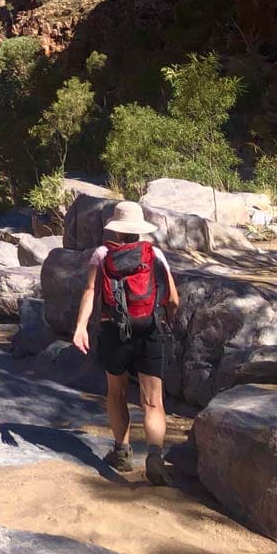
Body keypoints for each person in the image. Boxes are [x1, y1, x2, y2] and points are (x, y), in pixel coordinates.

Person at [71, 200, 180, 485]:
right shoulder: (154, 254)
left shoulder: (102, 254)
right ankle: (154, 456)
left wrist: (81, 327)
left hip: (113, 331)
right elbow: (172, 298)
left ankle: (121, 452)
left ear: (116, 230)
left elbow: (90, 290)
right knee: (153, 401)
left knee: (116, 393)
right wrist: (168, 319)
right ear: (140, 229)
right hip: (150, 329)